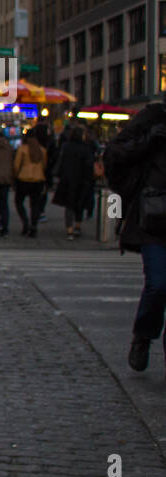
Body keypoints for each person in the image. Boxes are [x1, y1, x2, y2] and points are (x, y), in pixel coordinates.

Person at [103, 101, 166, 374]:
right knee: (158, 285)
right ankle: (143, 335)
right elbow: (115, 155)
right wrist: (149, 141)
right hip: (153, 220)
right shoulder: (154, 118)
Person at [52, 123, 95, 239]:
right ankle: (77, 226)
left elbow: (60, 161)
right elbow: (89, 165)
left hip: (68, 178)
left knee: (69, 205)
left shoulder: (66, 146)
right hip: (82, 179)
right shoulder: (86, 148)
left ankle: (69, 229)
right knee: (79, 204)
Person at [12, 128, 47, 238]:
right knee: (35, 204)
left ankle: (25, 222)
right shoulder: (42, 150)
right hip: (38, 179)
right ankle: (34, 226)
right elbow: (44, 166)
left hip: (23, 179)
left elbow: (16, 165)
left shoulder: (22, 149)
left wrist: (15, 176)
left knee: (19, 202)